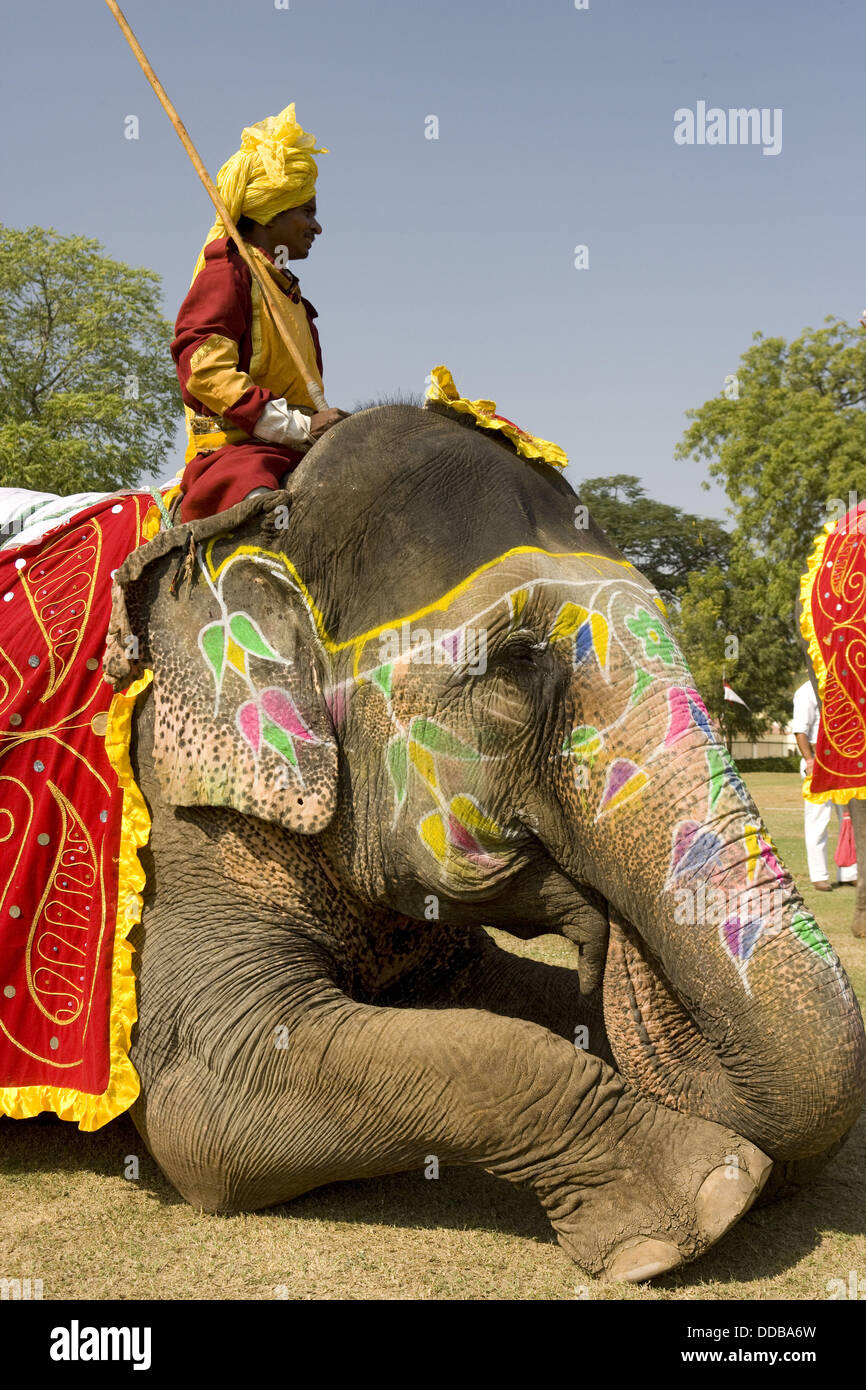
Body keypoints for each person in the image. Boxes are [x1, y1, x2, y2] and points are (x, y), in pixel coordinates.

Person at [172, 103, 349, 523]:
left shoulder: (292, 298)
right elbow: (204, 370)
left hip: (296, 449)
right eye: (307, 211)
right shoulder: (229, 272)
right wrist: (301, 427)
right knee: (258, 497)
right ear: (271, 214)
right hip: (237, 454)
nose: (317, 226)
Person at [792, 678, 857, 890]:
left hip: (842, 761)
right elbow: (800, 731)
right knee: (818, 820)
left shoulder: (844, 683)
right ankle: (819, 875)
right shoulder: (806, 691)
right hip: (818, 761)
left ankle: (849, 872)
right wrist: (809, 760)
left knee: (848, 818)